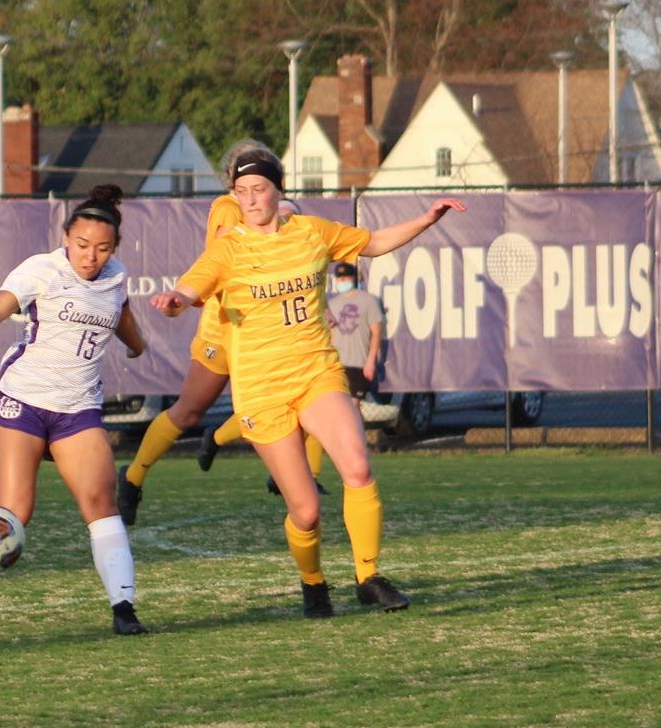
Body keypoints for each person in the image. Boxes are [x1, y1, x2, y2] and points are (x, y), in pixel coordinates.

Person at [150, 146, 463, 619]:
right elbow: (188, 291)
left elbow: (374, 242)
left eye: (259, 189)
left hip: (316, 372)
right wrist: (173, 301)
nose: (251, 200)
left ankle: (368, 576)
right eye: (241, 191)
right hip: (262, 390)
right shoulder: (229, 248)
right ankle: (313, 582)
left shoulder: (311, 232)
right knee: (307, 512)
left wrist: (427, 219)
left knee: (357, 468)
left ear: (278, 189)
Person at [0, 184, 151, 636]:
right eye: (81, 245)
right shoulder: (43, 269)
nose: (90, 256)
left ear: (114, 248)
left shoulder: (116, 277)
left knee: (101, 502)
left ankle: (124, 608)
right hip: (22, 400)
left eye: (101, 248)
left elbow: (121, 314)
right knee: (18, 510)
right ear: (65, 239)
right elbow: (0, 305)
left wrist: (138, 345)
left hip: (77, 409)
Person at [116, 141, 321, 526]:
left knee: (302, 399)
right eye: (246, 171)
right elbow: (227, 248)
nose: (253, 181)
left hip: (267, 331)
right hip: (227, 329)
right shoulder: (231, 207)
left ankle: (295, 477)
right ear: (233, 178)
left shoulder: (278, 210)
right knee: (188, 410)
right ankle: (132, 477)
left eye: (261, 171)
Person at [325, 261, 385, 408]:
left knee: (353, 406)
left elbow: (376, 332)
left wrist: (370, 361)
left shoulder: (368, 301)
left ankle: (357, 431)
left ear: (353, 278)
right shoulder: (333, 303)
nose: (342, 281)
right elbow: (332, 333)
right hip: (339, 362)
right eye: (340, 278)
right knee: (339, 407)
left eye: (345, 278)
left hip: (359, 362)